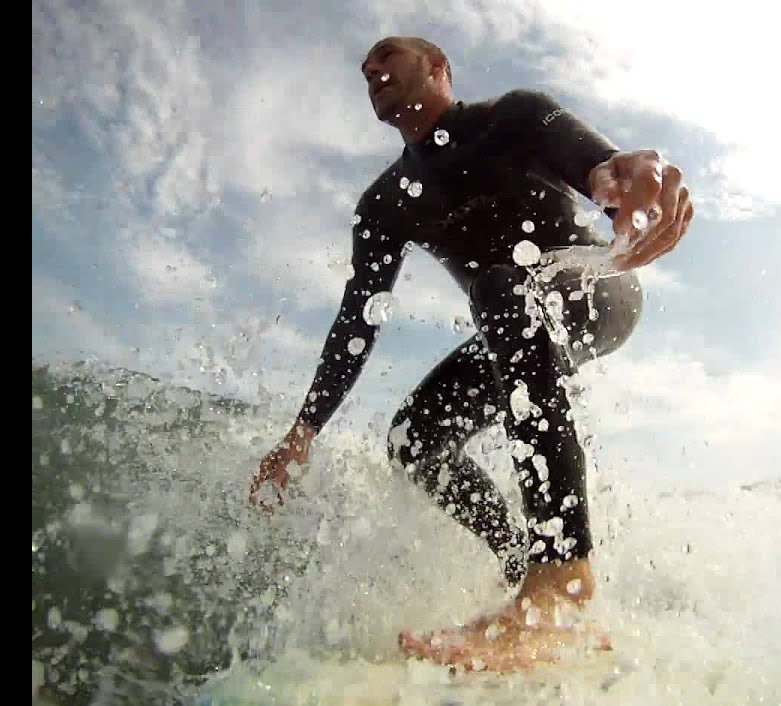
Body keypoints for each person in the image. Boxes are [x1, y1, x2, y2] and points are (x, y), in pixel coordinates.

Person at [249, 36, 694, 672]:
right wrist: (303, 430)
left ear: (438, 68)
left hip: (599, 285)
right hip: (512, 318)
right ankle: (521, 573)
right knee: (412, 438)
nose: (370, 69)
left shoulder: (510, 116)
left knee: (501, 282)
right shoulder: (385, 204)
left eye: (387, 56)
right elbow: (357, 321)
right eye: (366, 67)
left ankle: (560, 580)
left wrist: (617, 178)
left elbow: (595, 166)